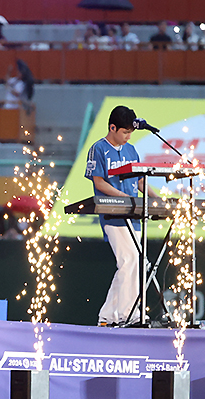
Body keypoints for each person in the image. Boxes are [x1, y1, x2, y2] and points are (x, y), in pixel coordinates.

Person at [85, 105, 158, 327]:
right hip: (112, 214)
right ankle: (128, 314)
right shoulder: (98, 148)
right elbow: (99, 182)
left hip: (134, 214)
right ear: (112, 128)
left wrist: (157, 197)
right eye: (124, 132)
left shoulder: (132, 151)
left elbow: (140, 181)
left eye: (130, 133)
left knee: (132, 263)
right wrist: (123, 197)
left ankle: (108, 315)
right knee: (128, 260)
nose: (128, 137)